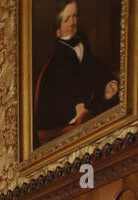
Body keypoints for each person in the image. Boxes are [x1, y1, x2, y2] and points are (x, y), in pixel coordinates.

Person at [34, 1, 121, 147]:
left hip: (88, 96)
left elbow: (93, 65)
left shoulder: (81, 38)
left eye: (74, 16)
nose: (73, 22)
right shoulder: (58, 60)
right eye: (66, 19)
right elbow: (64, 87)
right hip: (64, 111)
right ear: (57, 31)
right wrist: (78, 106)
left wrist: (107, 82)